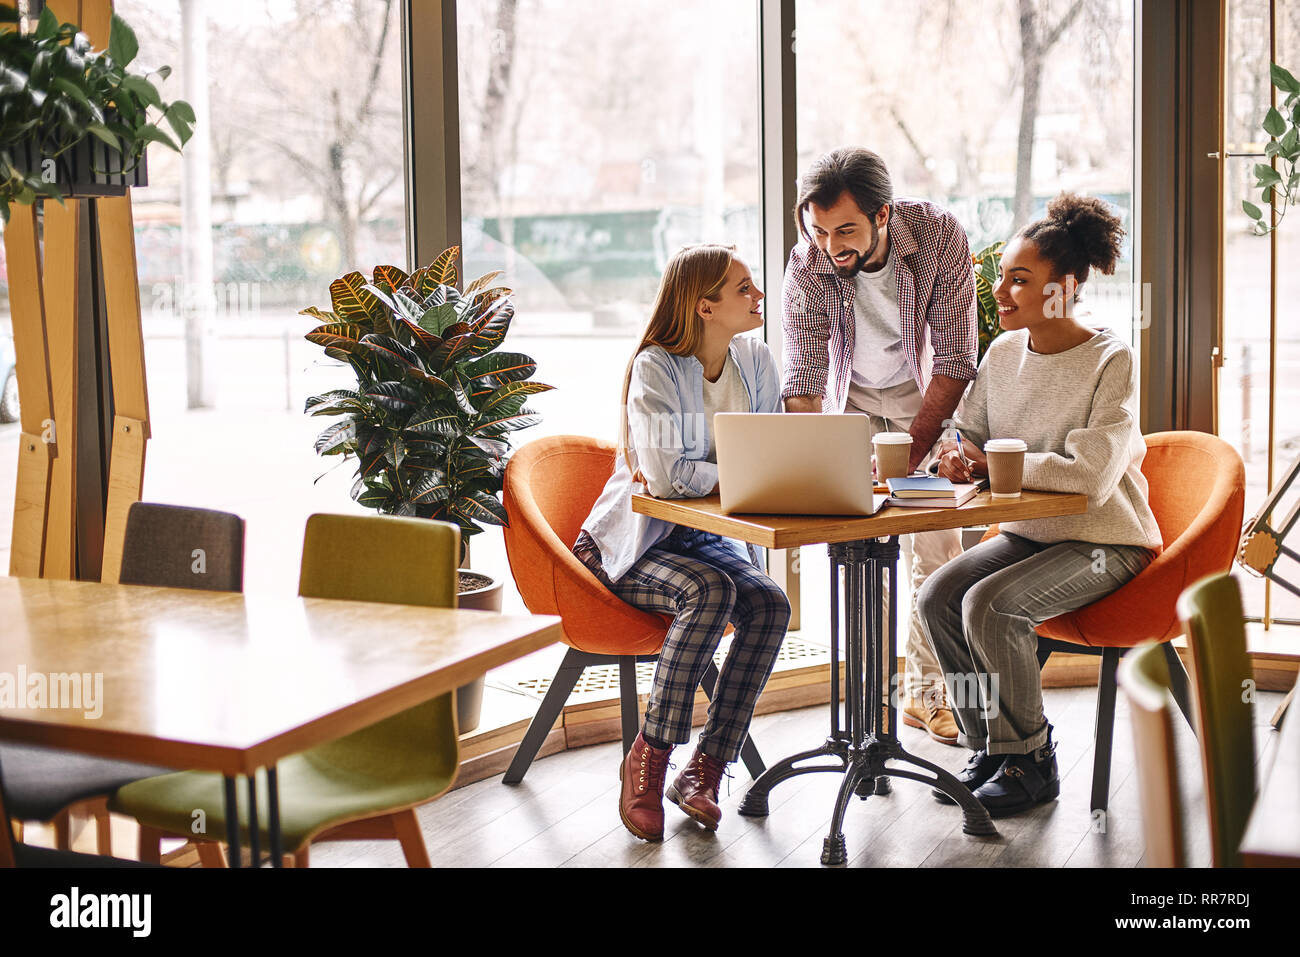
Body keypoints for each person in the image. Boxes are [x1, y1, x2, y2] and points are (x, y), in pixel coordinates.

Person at [916, 193, 1162, 817]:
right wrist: (957, 454)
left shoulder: (1112, 358)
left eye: (1018, 280)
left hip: (1108, 542)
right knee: (938, 597)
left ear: (1066, 288)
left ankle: (1032, 762)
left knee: (989, 606)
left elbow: (1092, 478)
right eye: (1002, 275)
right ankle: (991, 749)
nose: (999, 291)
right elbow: (970, 433)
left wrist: (999, 462)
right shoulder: (1001, 355)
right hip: (1035, 534)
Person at [573, 243, 791, 842]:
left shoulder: (757, 361)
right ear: (703, 306)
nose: (758, 296)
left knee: (771, 603)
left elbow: (771, 454)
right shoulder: (655, 367)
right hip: (631, 545)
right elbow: (666, 479)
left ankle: (706, 768)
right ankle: (649, 759)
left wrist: (720, 469)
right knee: (712, 592)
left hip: (705, 538)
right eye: (744, 288)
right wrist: (737, 471)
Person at [782, 147, 978, 745]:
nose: (831, 245)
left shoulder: (940, 237)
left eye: (846, 229)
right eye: (818, 230)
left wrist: (911, 457)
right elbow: (804, 376)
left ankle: (924, 695)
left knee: (935, 547)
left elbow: (953, 360)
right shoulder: (808, 263)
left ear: (883, 215)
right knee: (859, 553)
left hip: (927, 401)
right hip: (854, 404)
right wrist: (822, 460)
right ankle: (869, 703)